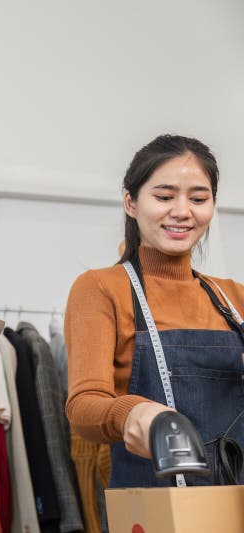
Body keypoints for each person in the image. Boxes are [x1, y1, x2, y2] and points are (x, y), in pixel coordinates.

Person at [65, 134, 244, 488]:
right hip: (154, 505)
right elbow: (83, 408)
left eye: (198, 198)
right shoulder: (101, 288)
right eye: (164, 197)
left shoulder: (233, 298)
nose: (182, 211)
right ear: (131, 202)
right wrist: (135, 412)